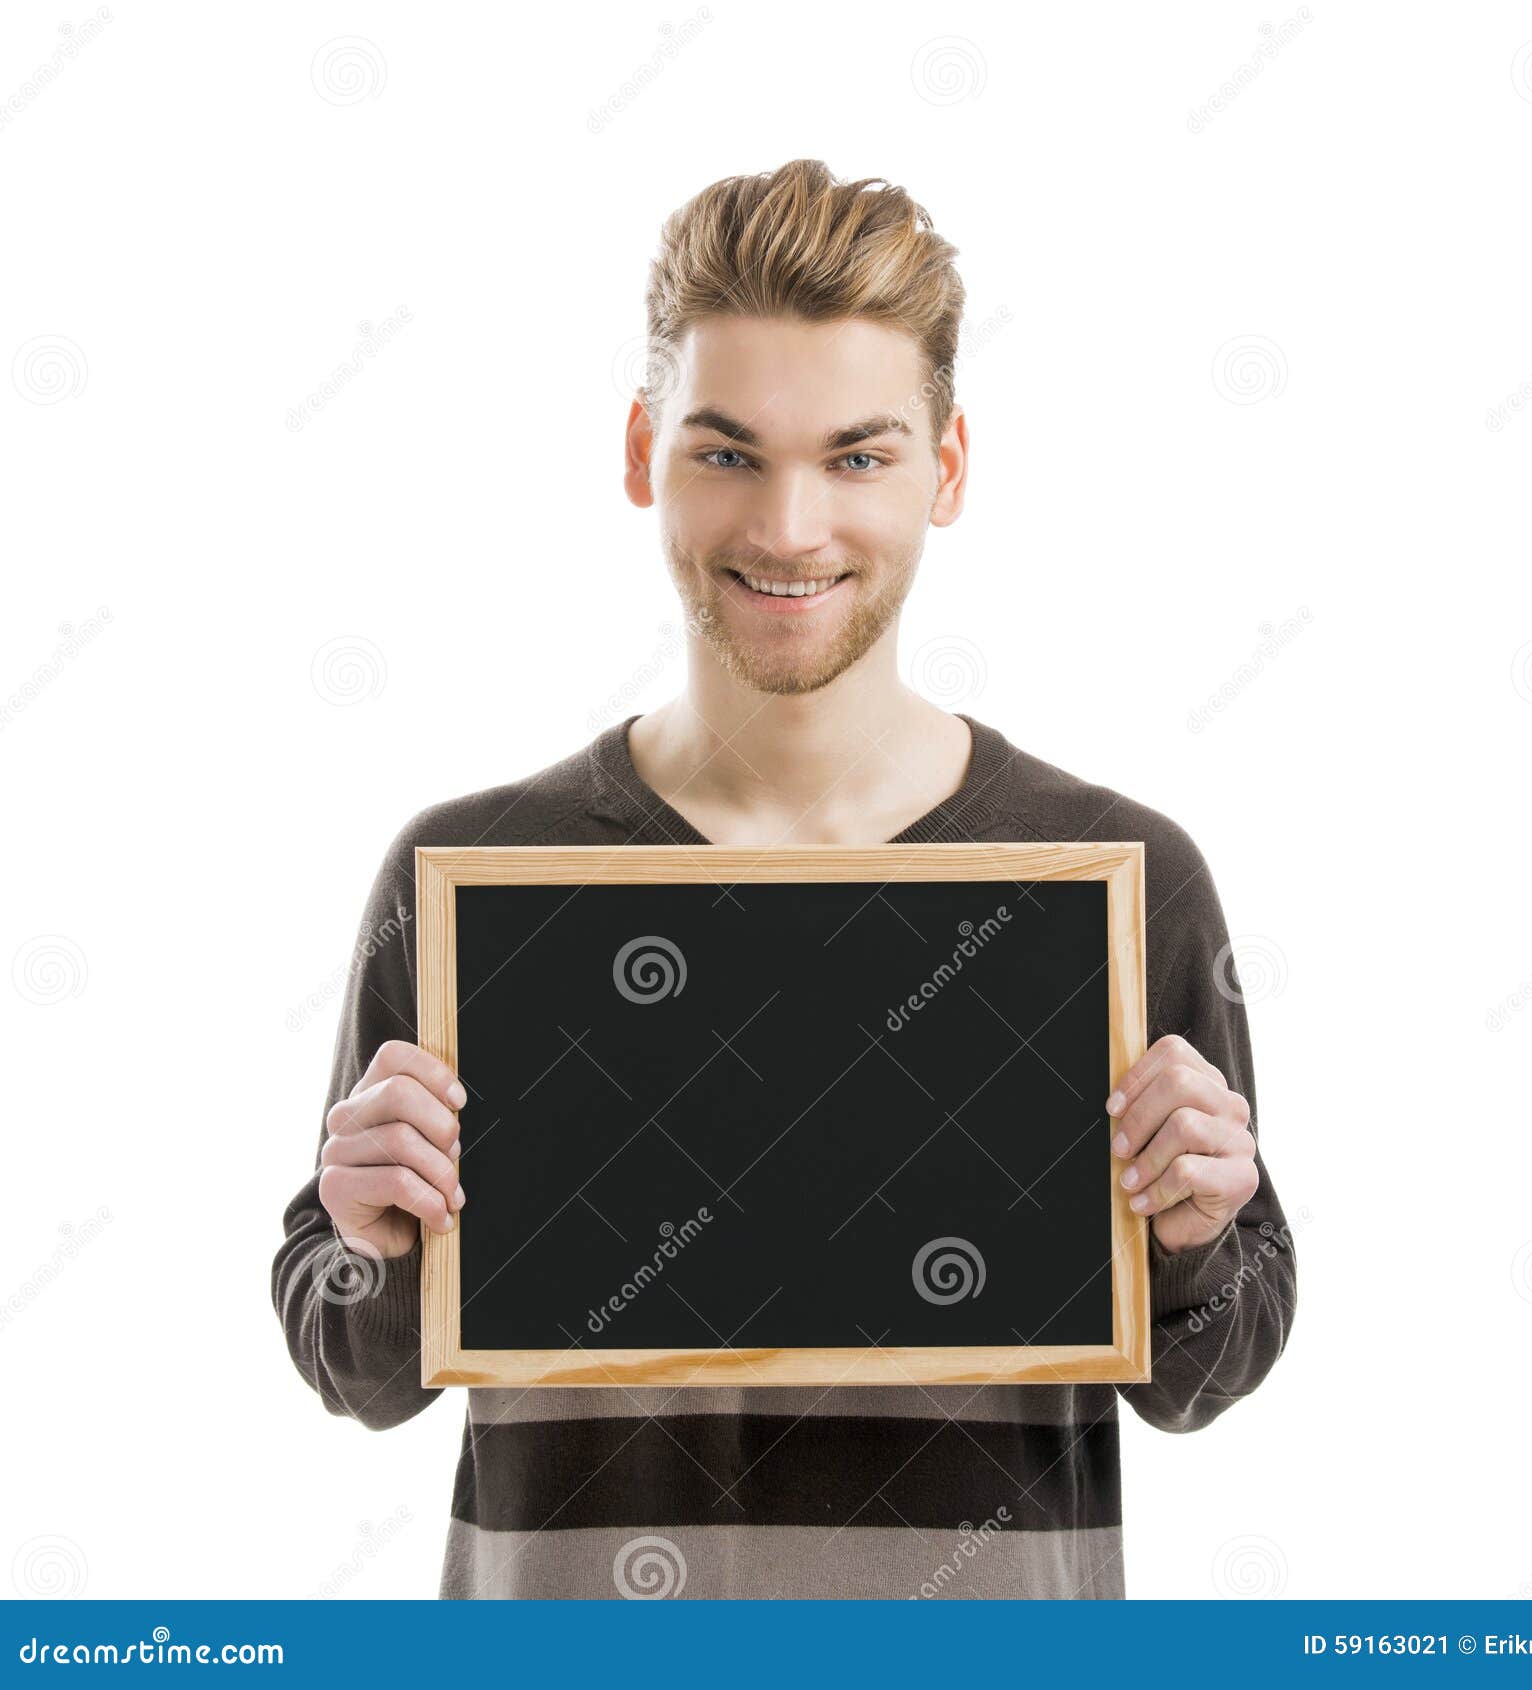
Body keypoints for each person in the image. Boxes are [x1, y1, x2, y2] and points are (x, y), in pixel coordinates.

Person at [271, 158, 1296, 1600]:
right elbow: (351, 1360)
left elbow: (1214, 1362)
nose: (790, 528)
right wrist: (369, 1235)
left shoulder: (1120, 880)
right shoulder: (467, 879)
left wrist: (1195, 1233)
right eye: (728, 451)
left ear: (945, 468)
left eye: (858, 456)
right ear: (643, 452)